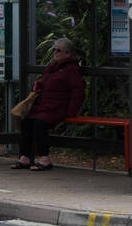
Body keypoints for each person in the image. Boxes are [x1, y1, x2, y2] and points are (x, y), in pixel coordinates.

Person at [13, 38, 84, 171]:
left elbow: (78, 91)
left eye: (58, 50)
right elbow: (43, 82)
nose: (55, 53)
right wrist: (38, 85)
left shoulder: (72, 70)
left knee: (39, 124)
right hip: (44, 106)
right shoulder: (52, 67)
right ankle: (24, 157)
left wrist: (71, 111)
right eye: (54, 50)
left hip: (57, 107)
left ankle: (44, 158)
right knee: (27, 122)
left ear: (68, 54)